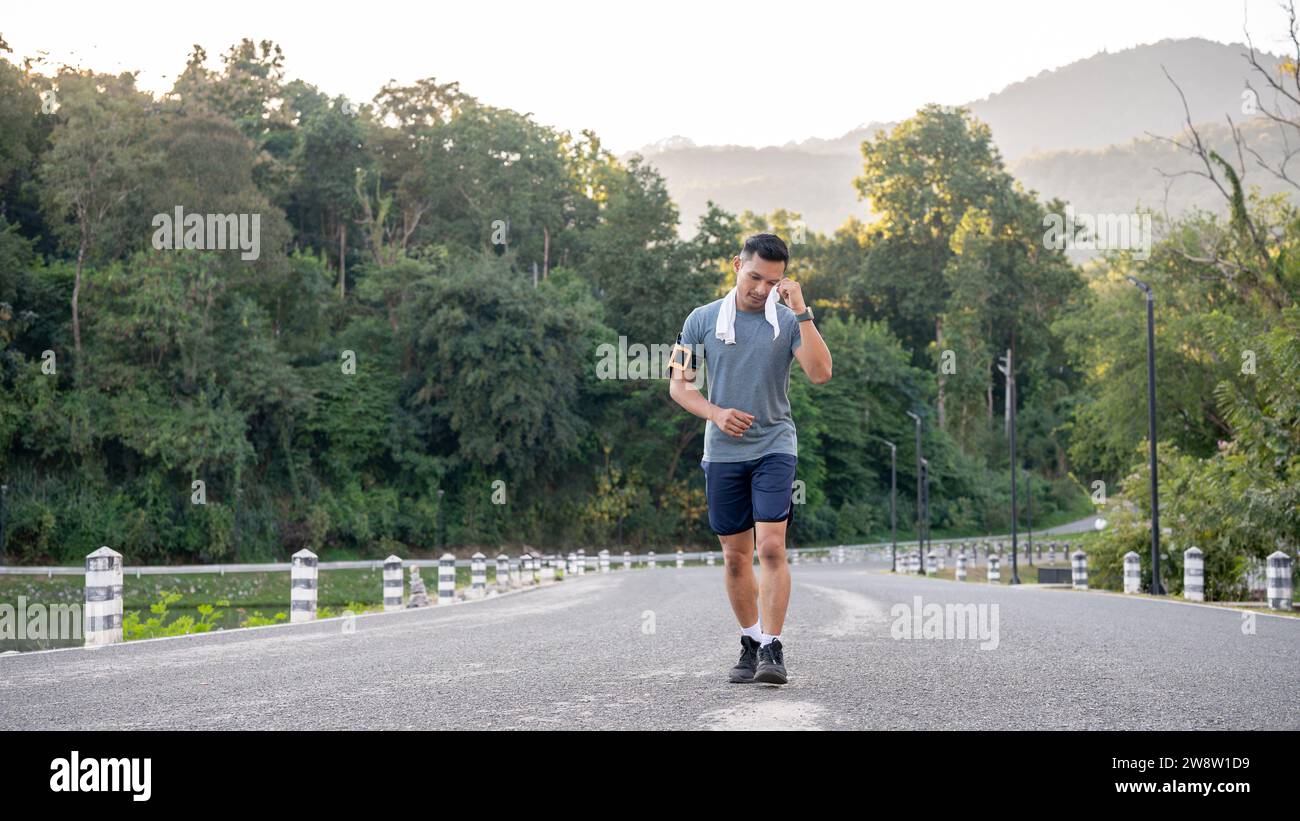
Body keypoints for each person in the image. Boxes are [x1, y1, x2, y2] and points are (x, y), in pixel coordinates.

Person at [667, 233, 832, 684]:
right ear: (736, 264)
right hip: (721, 453)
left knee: (771, 546)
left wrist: (801, 310)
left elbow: (820, 373)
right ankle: (751, 641)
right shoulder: (700, 320)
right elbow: (679, 386)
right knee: (736, 557)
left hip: (775, 444)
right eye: (755, 276)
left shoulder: (787, 320)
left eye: (772, 281)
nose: (761, 288)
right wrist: (716, 413)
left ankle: (773, 649)